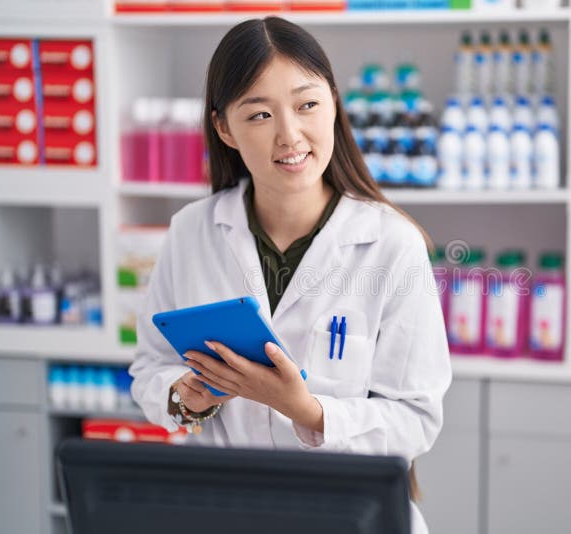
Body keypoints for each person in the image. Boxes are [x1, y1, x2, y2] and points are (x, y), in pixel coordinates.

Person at [128, 16, 452, 534]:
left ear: (334, 103)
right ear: (225, 128)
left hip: (348, 516)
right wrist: (185, 397)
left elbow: (415, 420)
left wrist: (307, 410)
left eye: (307, 105)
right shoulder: (191, 232)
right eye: (259, 114)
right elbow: (150, 368)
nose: (290, 134)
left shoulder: (391, 244)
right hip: (228, 513)